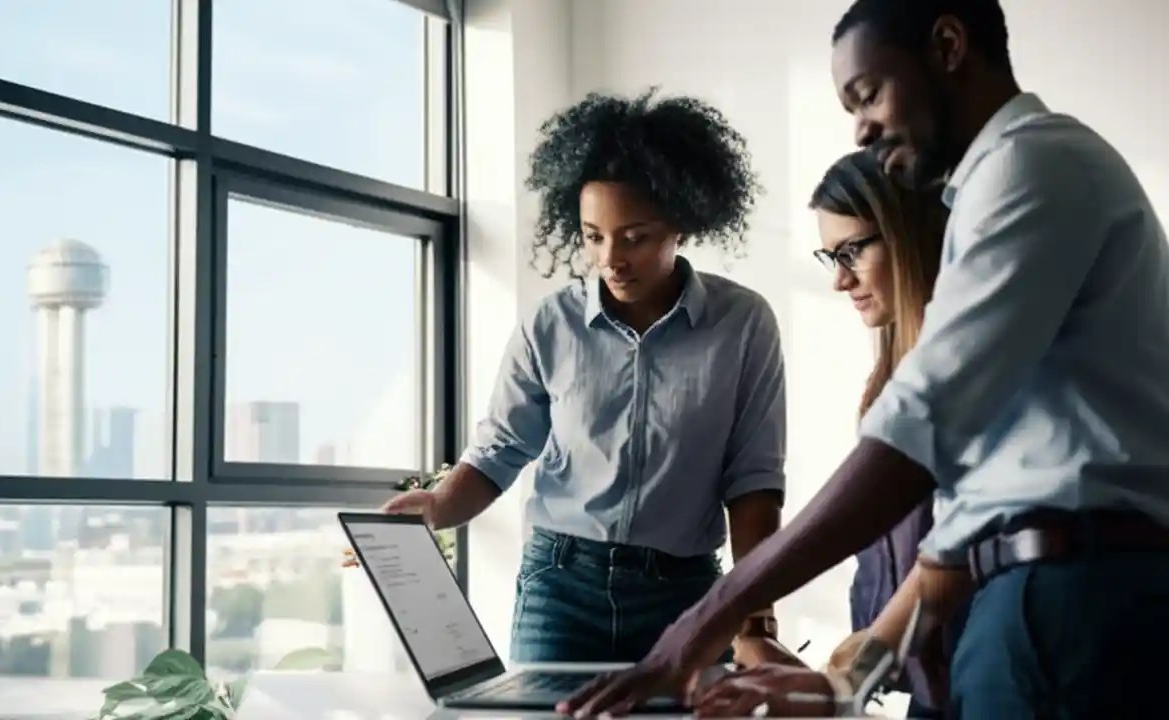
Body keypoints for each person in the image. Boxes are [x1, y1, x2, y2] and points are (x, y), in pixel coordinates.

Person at [560, 1, 1169, 718]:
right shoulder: (1009, 186)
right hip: (1048, 605)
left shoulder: (1030, 164)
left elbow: (917, 432)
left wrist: (707, 618)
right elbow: (965, 526)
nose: (862, 128)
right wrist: (849, 679)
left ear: (948, 43)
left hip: (1067, 609)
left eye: (868, 94)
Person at [384, 89, 798, 667]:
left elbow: (753, 483)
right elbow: (502, 449)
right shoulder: (550, 324)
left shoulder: (743, 324)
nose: (611, 258)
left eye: (635, 236)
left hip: (685, 595)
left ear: (681, 223)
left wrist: (756, 621)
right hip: (560, 589)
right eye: (592, 236)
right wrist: (437, 507)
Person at [806, 149, 957, 719]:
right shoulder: (889, 378)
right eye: (829, 256)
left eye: (852, 251)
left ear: (908, 231)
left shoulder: (970, 369)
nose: (840, 280)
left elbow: (961, 544)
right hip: (923, 687)